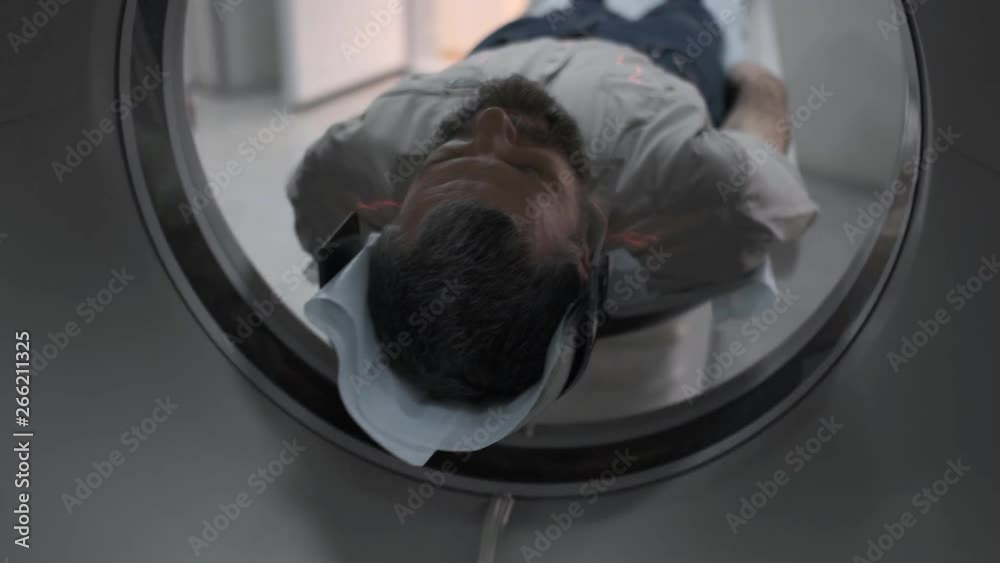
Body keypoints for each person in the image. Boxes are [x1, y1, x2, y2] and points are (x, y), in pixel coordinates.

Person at [287, 0, 818, 403]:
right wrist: (749, 71)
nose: (493, 122)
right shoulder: (682, 180)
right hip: (666, 48)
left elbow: (322, 217)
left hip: (527, 31)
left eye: (448, 155)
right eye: (529, 167)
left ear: (395, 215)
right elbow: (765, 143)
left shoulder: (361, 156)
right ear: (584, 254)